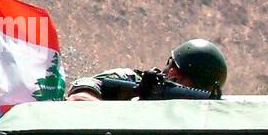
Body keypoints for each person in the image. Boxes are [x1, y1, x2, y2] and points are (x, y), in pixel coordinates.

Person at [66, 38, 227, 101]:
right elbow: (80, 96)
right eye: (196, 91)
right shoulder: (131, 80)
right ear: (174, 76)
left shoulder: (192, 118)